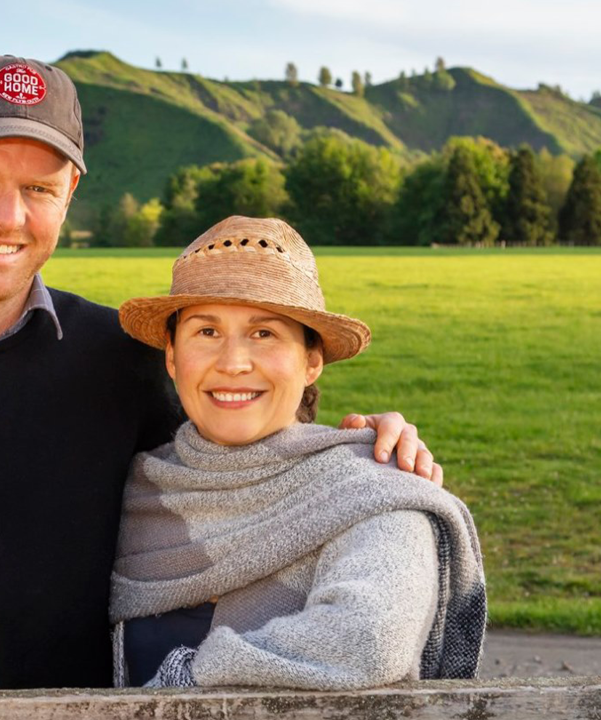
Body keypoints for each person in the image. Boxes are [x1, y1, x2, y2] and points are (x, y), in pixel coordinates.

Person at [0, 55, 444, 690]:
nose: (9, 215)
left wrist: (363, 451)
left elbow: (239, 454)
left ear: (69, 198)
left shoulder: (118, 358)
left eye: (38, 189)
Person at [109, 216, 485, 689]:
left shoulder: (372, 493)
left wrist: (181, 684)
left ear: (311, 361)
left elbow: (367, 640)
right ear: (171, 357)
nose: (232, 362)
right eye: (206, 332)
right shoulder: (140, 490)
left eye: (264, 333)